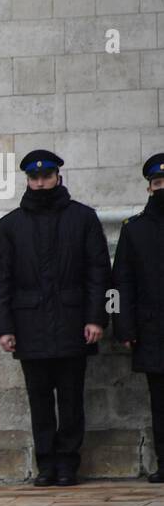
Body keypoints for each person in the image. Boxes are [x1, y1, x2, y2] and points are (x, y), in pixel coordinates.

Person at [0, 150, 110, 486]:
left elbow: (98, 273)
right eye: (34, 178)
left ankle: (68, 464)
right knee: (39, 399)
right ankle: (46, 464)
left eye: (46, 177)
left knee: (71, 398)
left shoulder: (83, 218)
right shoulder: (11, 225)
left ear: (58, 176)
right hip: (30, 327)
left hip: (73, 324)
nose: (40, 183)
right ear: (27, 180)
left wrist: (96, 319)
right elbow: (1, 279)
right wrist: (4, 328)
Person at [111, 153, 164, 483]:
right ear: (148, 189)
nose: (162, 189)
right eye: (158, 184)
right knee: (160, 403)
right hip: (153, 330)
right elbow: (118, 286)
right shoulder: (135, 229)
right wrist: (124, 328)